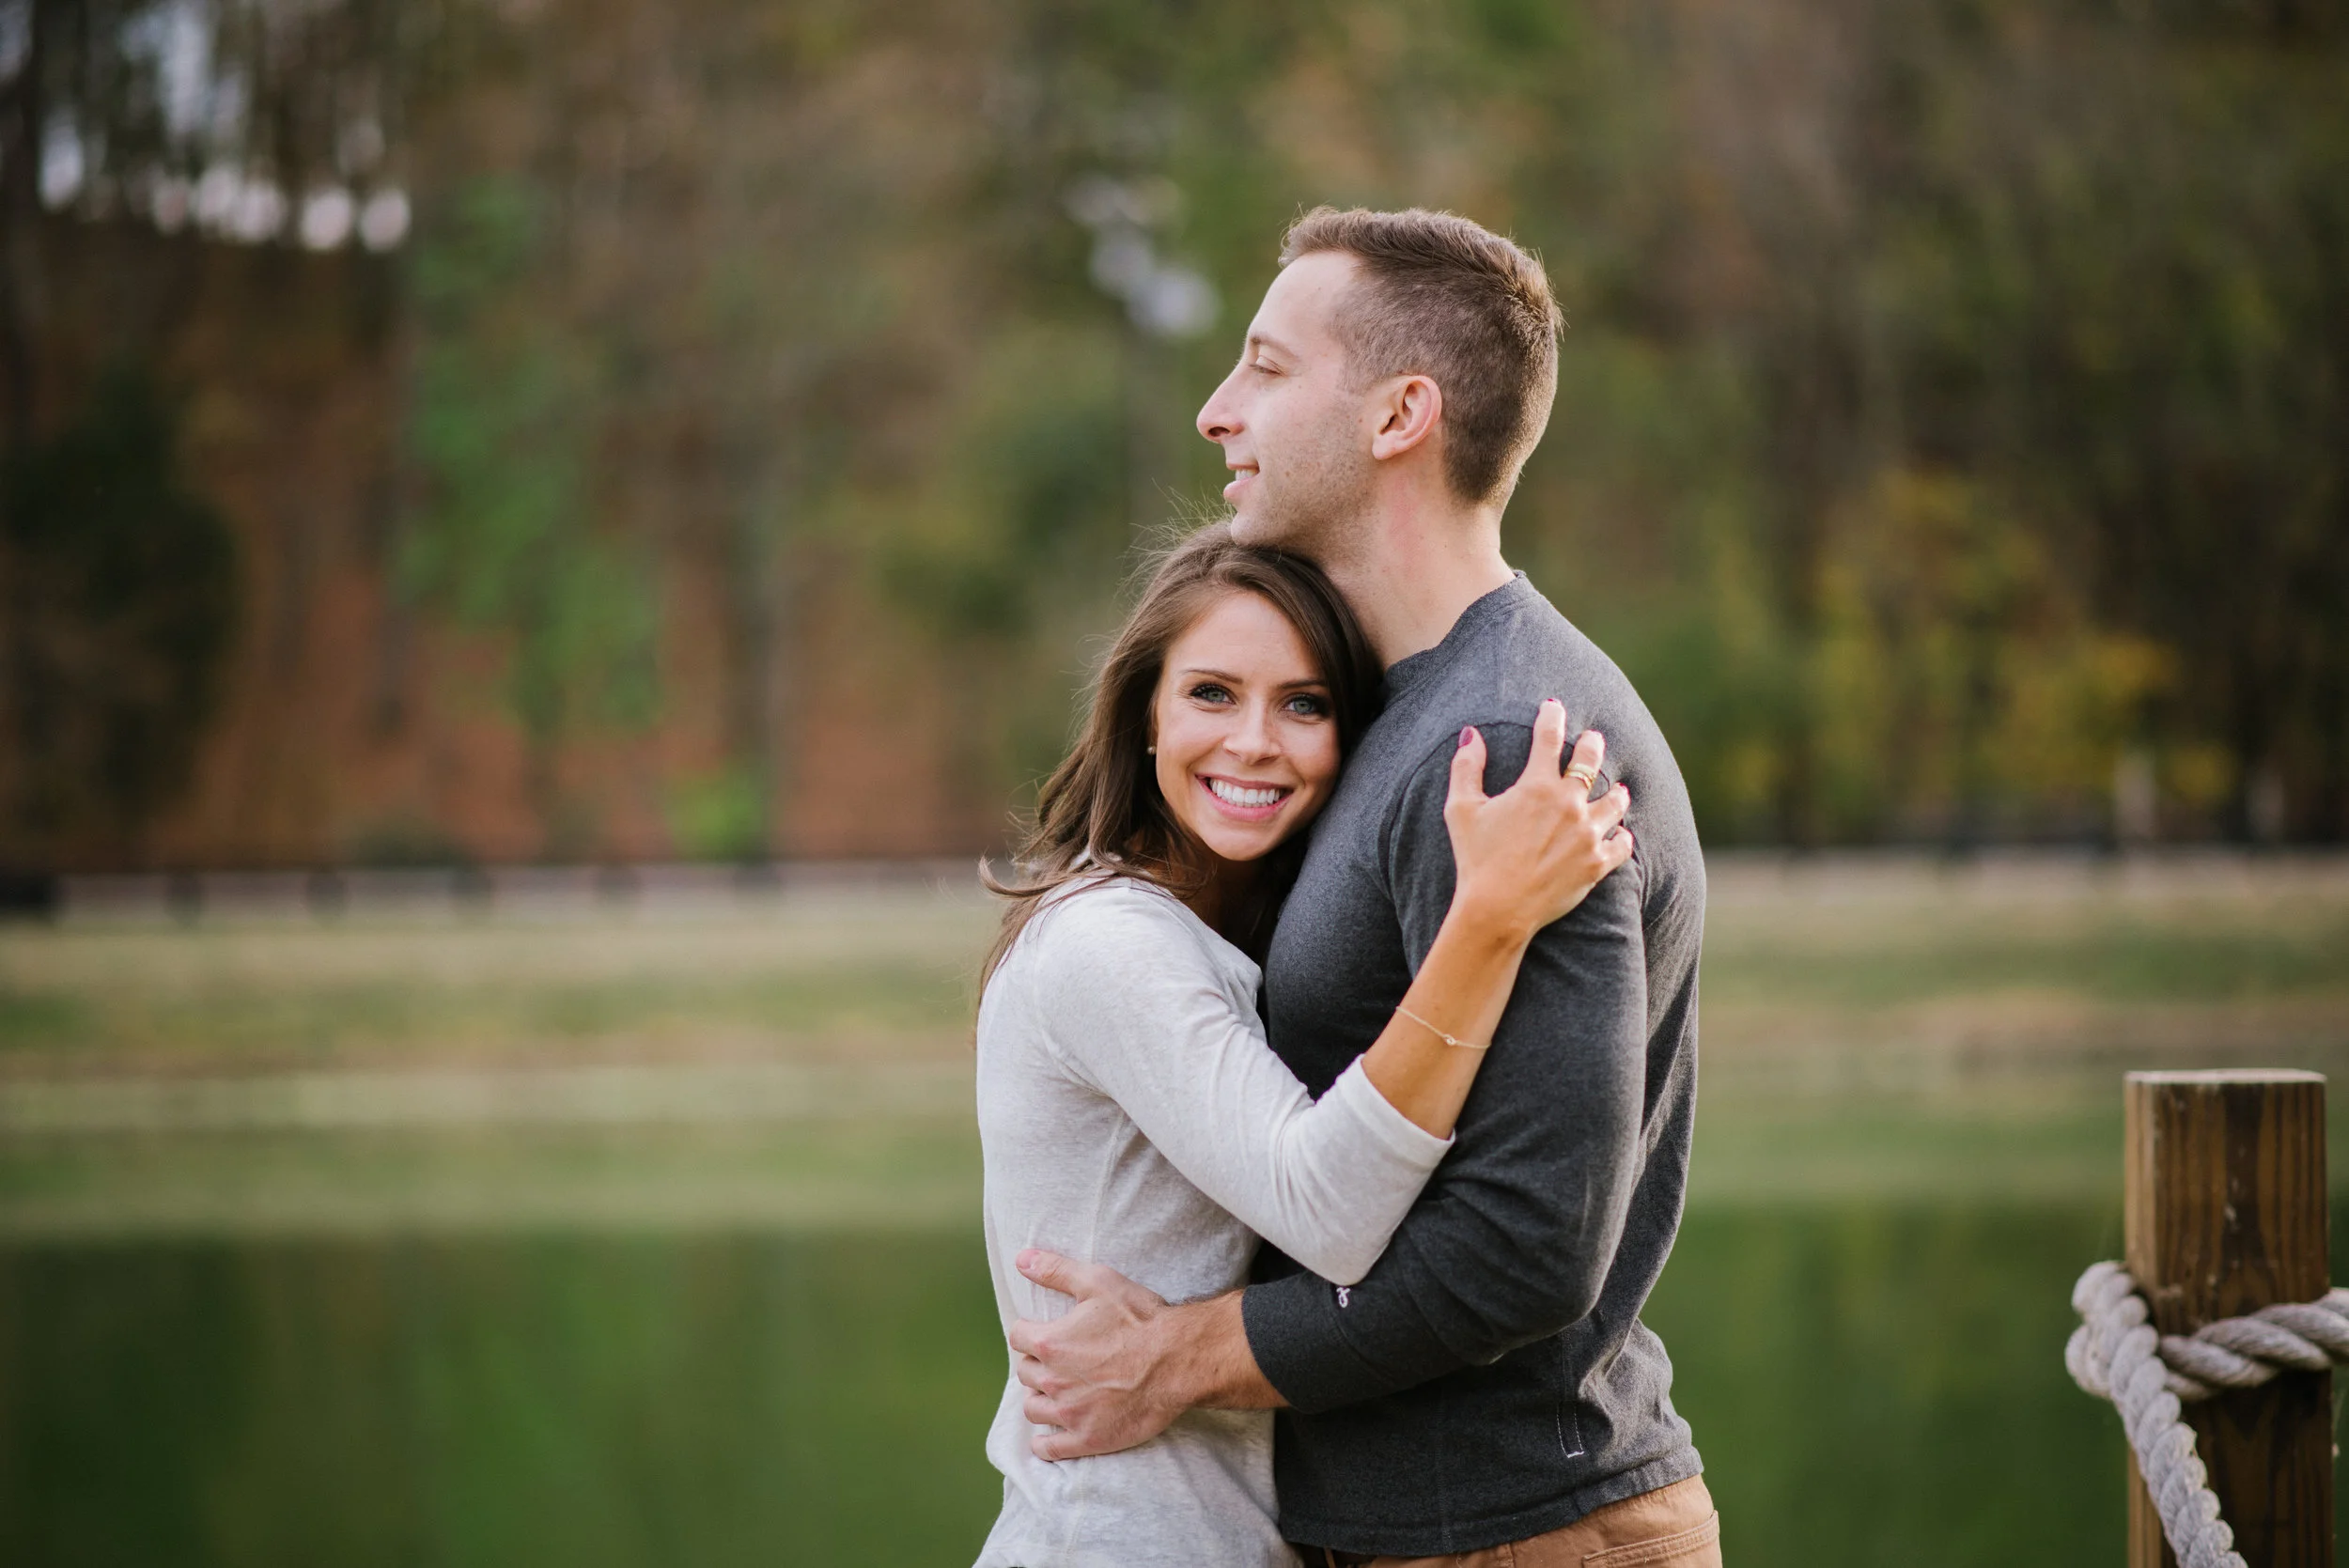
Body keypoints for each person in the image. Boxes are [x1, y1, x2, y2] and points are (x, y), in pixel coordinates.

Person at [1005, 208, 1718, 1568]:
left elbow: (1527, 1246)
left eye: (1266, 367)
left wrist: (1181, 1357)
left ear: (1400, 414)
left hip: (1520, 1536)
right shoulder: (1401, 719)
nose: (1219, 412)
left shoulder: (1510, 744)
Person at [974, 522, 1635, 1567]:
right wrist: (1489, 919)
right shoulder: (1106, 942)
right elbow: (1326, 1208)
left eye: (1304, 704)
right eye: (1211, 694)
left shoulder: (1209, 937)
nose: (1252, 741)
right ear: (1145, 713)